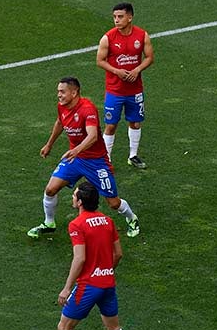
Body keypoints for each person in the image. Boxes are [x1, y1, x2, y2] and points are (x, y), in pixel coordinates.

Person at [45, 182, 135, 330]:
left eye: (74, 195)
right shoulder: (108, 221)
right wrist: (106, 271)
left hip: (88, 286)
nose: (72, 197)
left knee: (64, 327)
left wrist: (67, 288)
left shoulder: (77, 225)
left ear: (80, 202)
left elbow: (80, 258)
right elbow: (118, 254)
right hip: (108, 284)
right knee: (114, 328)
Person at [28, 77, 139, 239]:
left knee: (113, 203)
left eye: (62, 91)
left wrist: (76, 150)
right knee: (50, 189)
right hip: (76, 158)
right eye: (58, 91)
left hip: (96, 161)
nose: (59, 95)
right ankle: (49, 222)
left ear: (74, 92)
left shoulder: (87, 109)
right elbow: (60, 122)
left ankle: (132, 218)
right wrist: (49, 144)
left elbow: (93, 136)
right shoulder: (62, 106)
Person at [96, 2, 154, 169]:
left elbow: (149, 57)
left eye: (120, 17)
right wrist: (117, 71)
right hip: (115, 91)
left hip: (135, 90)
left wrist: (137, 69)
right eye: (114, 17)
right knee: (111, 125)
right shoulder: (108, 38)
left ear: (130, 17)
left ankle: (133, 155)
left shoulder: (142, 35)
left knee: (135, 122)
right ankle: (106, 160)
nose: (116, 20)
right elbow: (99, 61)